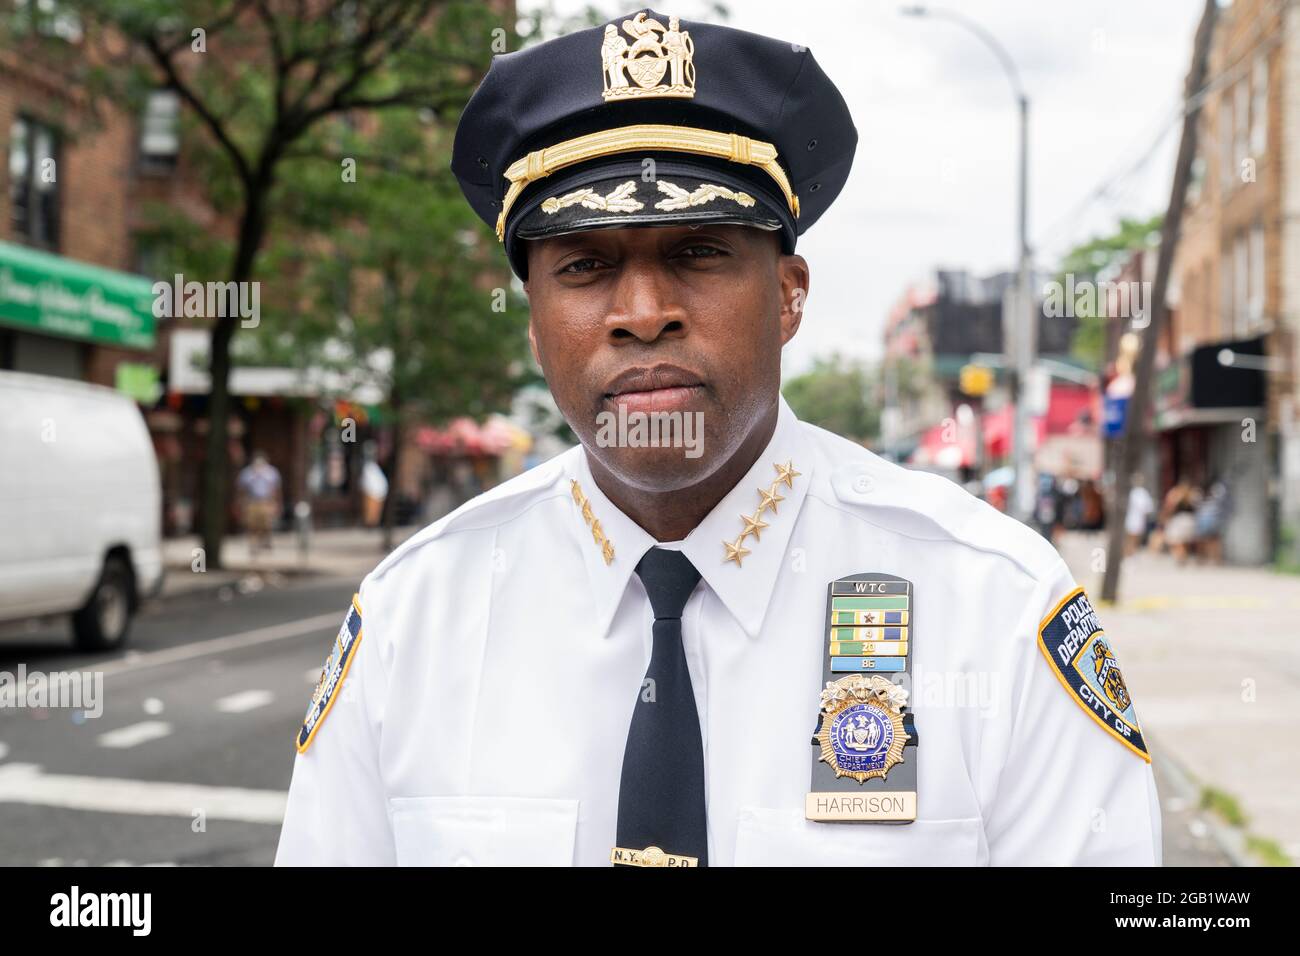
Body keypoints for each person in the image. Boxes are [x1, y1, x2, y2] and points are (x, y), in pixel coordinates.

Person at [275, 10, 1159, 867]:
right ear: (535, 324)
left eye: (698, 252)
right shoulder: (414, 620)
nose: (644, 313)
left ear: (788, 295)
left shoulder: (990, 606)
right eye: (585, 265)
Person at [236, 451, 281, 554]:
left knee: (266, 524)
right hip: (252, 501)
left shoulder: (271, 472)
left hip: (266, 501)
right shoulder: (247, 473)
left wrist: (276, 503)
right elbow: (241, 489)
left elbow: (276, 489)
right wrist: (241, 503)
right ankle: (253, 546)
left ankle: (264, 542)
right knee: (252, 525)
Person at [1160, 478, 1199, 565]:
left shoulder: (1176, 495)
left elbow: (1170, 507)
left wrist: (1165, 517)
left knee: (1176, 541)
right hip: (1190, 519)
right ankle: (1183, 557)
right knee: (1184, 541)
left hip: (1180, 520)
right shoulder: (1194, 494)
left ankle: (1181, 558)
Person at [1125, 473, 1155, 556]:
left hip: (1135, 518)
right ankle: (1130, 552)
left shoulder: (1135, 492)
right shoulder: (1140, 493)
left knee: (1132, 537)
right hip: (1136, 518)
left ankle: (1130, 552)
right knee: (1133, 537)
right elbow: (1148, 508)